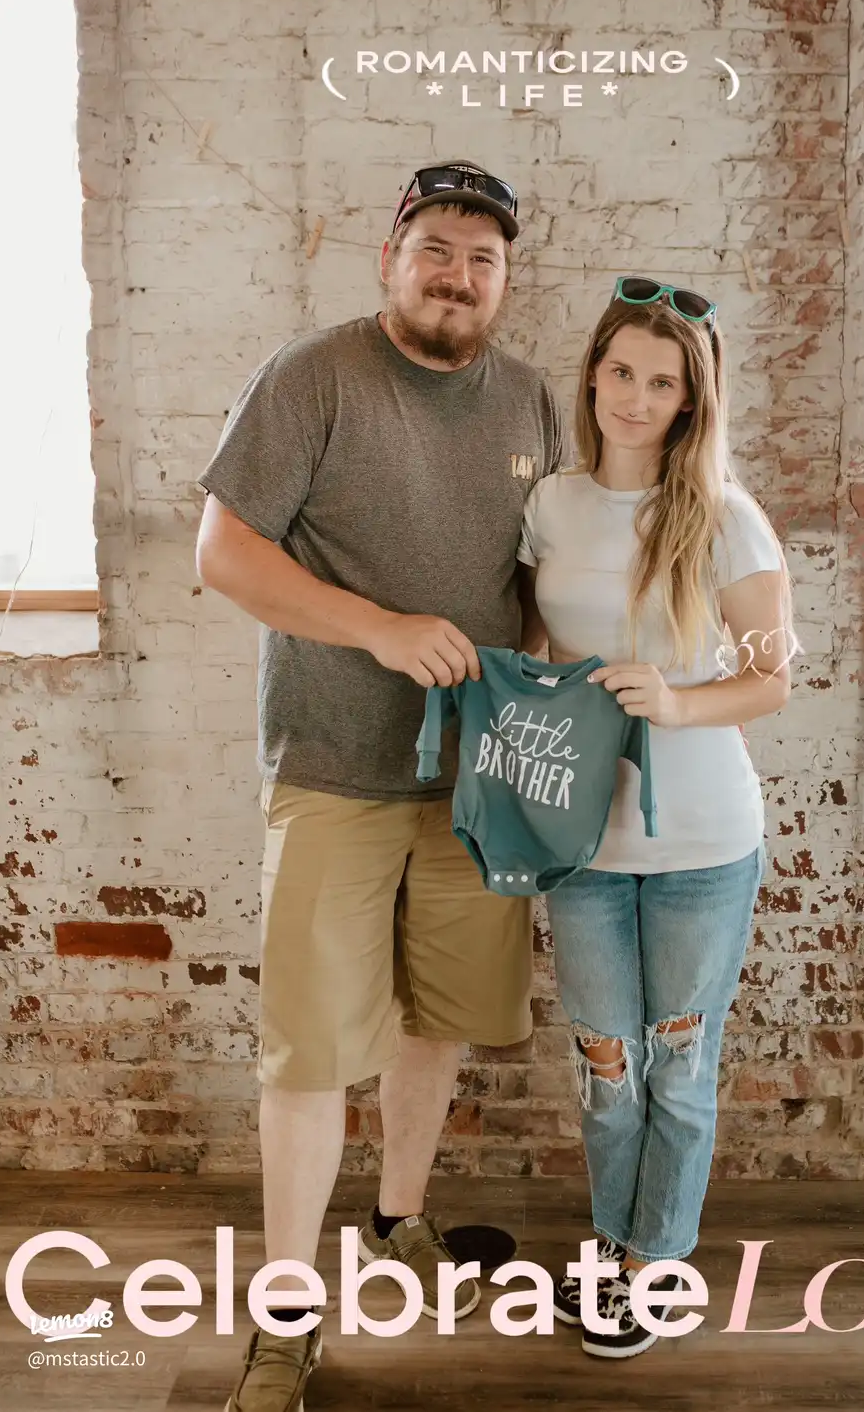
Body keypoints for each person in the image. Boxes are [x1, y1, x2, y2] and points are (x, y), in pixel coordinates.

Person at [194, 161, 564, 1412]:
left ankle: (401, 1219)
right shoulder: (315, 375)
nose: (458, 276)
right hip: (334, 766)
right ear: (391, 257)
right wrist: (380, 629)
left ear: (505, 280)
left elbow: (538, 576)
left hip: (476, 781)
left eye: (483, 259)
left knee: (435, 1013)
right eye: (437, 250)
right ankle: (285, 1319)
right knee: (309, 1049)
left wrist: (544, 688)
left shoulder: (530, 397)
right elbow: (225, 553)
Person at [516, 276, 799, 1359]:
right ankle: (612, 1242)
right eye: (622, 372)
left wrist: (675, 702)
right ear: (593, 375)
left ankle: (654, 1261)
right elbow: (534, 652)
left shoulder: (728, 519)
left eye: (663, 383)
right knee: (605, 1064)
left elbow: (772, 680)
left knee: (678, 1065)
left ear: (691, 400)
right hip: (583, 840)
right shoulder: (551, 506)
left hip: (704, 843)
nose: (636, 398)